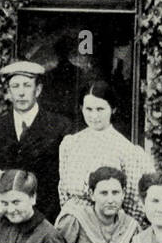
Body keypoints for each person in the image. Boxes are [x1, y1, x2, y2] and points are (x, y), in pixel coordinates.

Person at [56, 81, 154, 222]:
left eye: (100, 109)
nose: (94, 116)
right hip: (72, 224)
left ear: (113, 109)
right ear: (81, 108)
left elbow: (134, 204)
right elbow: (63, 192)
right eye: (88, 109)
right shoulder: (70, 144)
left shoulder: (125, 149)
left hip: (108, 226)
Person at [0, 61, 72, 222]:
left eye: (27, 85)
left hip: (47, 218)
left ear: (38, 90)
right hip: (8, 217)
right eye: (15, 86)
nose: (21, 93)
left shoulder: (59, 126)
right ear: (8, 92)